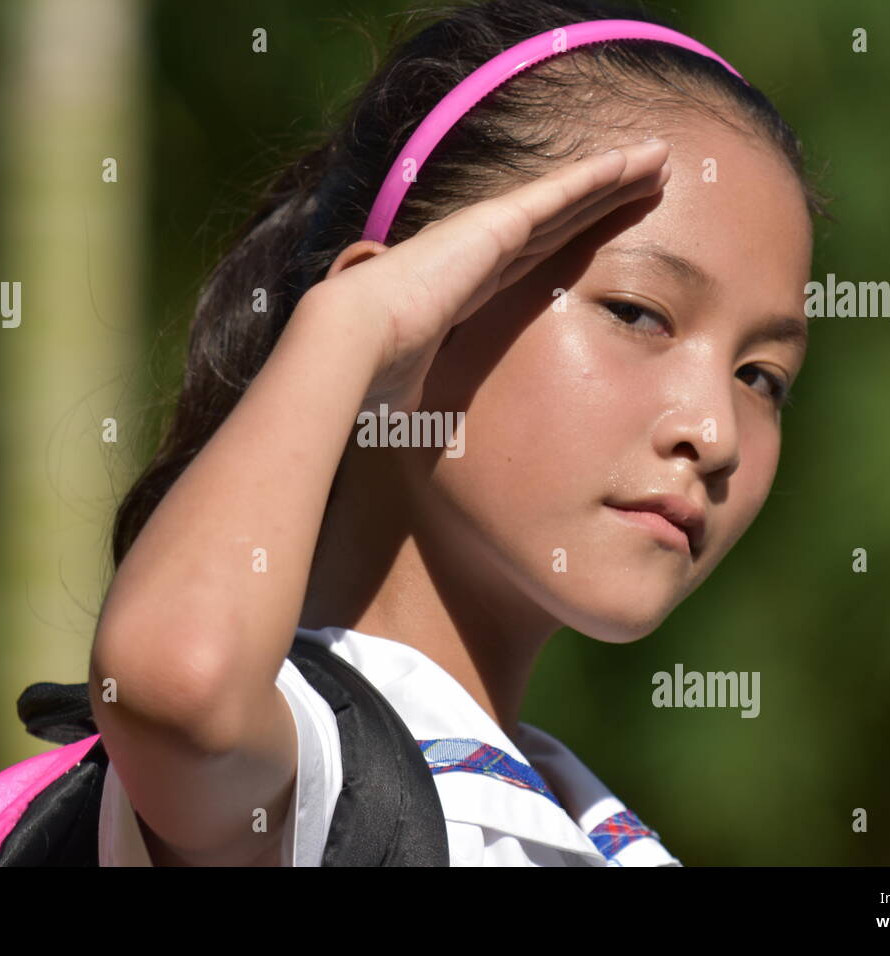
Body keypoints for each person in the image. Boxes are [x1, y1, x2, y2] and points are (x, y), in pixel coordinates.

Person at [90, 0, 828, 867]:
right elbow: (180, 685)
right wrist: (343, 338)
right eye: (636, 312)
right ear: (412, 314)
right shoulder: (305, 775)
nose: (716, 433)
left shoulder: (587, 826)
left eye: (761, 377)